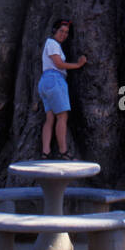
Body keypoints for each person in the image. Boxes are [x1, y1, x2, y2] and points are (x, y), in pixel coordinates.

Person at [39, 19, 86, 157]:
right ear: (54, 31)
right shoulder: (52, 43)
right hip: (54, 80)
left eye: (66, 32)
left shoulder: (52, 44)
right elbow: (59, 64)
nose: (64, 35)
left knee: (50, 118)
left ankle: (45, 152)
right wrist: (78, 65)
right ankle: (63, 152)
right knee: (62, 116)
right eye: (61, 31)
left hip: (45, 82)